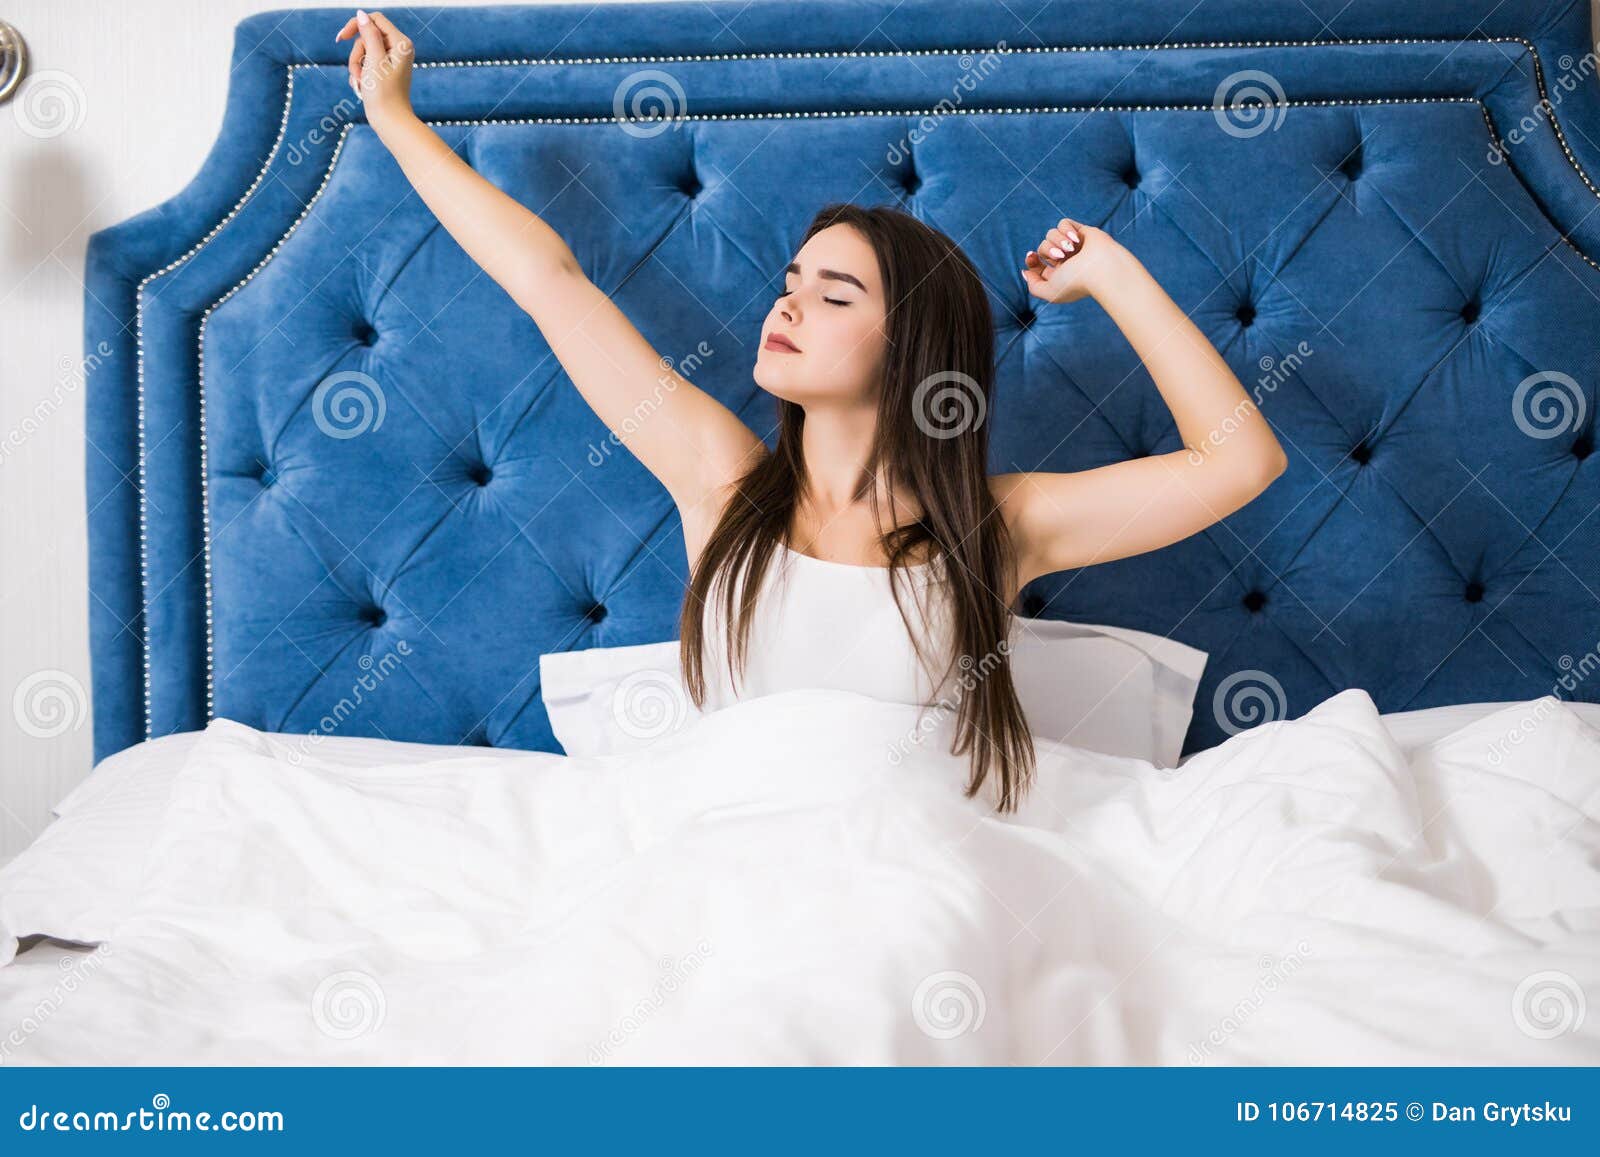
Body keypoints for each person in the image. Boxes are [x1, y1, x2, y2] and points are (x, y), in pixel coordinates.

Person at [335, 9, 1288, 812]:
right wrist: (395, 119)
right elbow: (548, 281)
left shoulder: (999, 526)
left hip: (919, 881)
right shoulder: (718, 473)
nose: (788, 304)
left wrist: (1110, 272)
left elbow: (1240, 462)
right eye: (792, 282)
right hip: (733, 870)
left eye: (835, 297)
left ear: (908, 350)